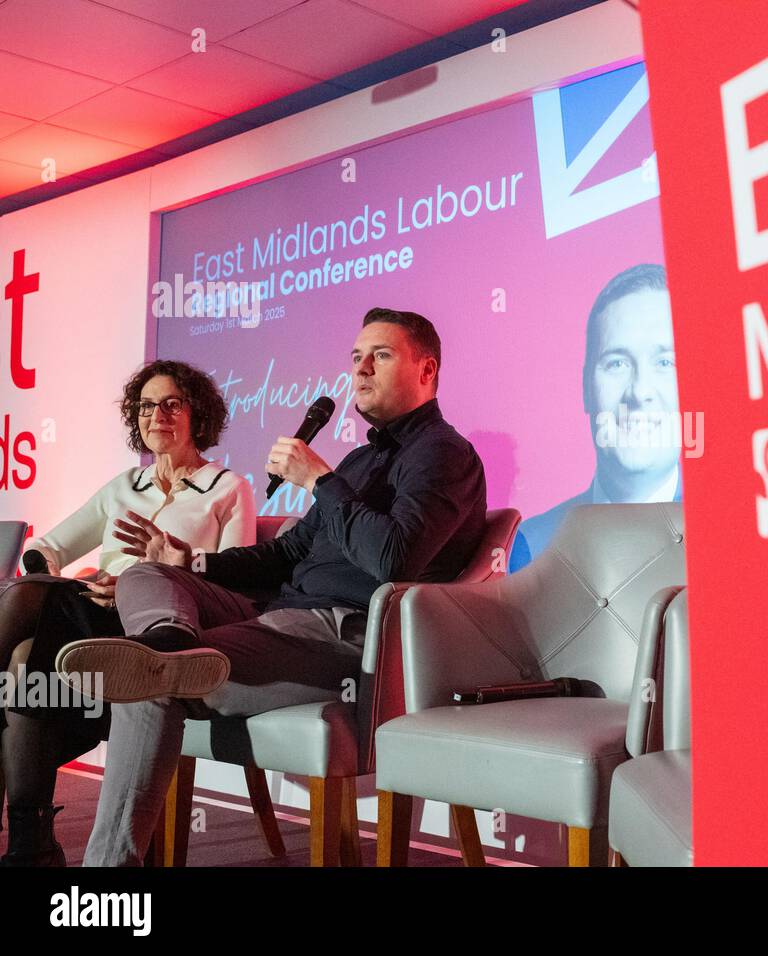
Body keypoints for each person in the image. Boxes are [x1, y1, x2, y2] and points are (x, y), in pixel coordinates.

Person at [57, 307, 487, 866]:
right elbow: (286, 552)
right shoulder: (360, 460)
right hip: (277, 618)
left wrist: (321, 481)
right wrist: (196, 564)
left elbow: (394, 558)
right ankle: (167, 642)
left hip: (344, 637)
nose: (360, 369)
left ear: (426, 370)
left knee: (145, 679)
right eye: (356, 357)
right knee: (149, 573)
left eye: (379, 355)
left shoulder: (443, 454)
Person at [0, 360, 255, 866]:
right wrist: (79, 581)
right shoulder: (124, 486)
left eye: (171, 404)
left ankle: (34, 845)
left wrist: (160, 571)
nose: (155, 415)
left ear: (196, 414)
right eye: (145, 406)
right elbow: (46, 549)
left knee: (29, 645)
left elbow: (236, 583)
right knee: (27, 639)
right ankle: (30, 846)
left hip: (156, 631)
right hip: (87, 617)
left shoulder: (227, 489)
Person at [510, 264, 681, 571]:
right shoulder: (533, 547)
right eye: (616, 363)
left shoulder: (735, 527)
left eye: (665, 362)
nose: (639, 391)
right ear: (586, 387)